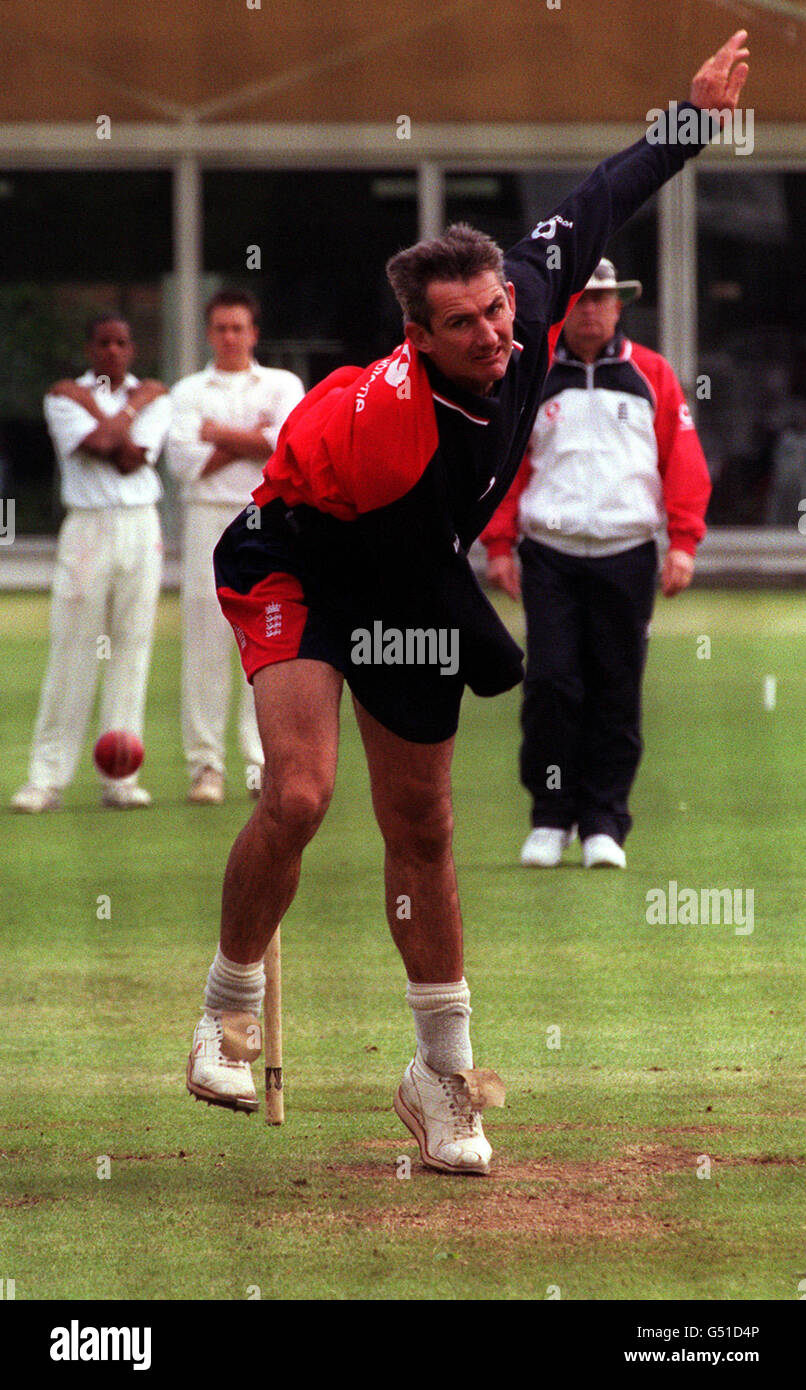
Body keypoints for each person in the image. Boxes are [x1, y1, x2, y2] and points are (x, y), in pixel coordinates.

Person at [185, 34, 750, 1173]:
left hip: (410, 572)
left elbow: (604, 192)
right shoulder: (386, 437)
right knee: (298, 792)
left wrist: (688, 118)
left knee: (426, 828)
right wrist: (494, 653)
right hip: (302, 561)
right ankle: (223, 1007)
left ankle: (439, 1079)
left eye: (497, 311)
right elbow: (421, 580)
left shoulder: (529, 301)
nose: (495, 335)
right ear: (417, 337)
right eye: (466, 326)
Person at [483, 259, 711, 869]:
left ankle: (604, 822)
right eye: (580, 299)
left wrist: (684, 542)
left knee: (616, 687)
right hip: (550, 555)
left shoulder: (652, 374)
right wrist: (499, 546)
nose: (590, 310)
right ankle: (551, 817)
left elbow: (683, 462)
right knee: (553, 683)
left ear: (619, 306)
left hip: (626, 554)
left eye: (601, 300)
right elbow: (508, 467)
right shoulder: (533, 374)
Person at [11, 316, 170, 813]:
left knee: (132, 647)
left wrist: (128, 406)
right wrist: (130, 405)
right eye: (103, 343)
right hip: (87, 527)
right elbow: (100, 447)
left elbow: (130, 460)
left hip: (140, 525)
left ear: (132, 348)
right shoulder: (63, 397)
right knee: (72, 649)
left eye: (121, 343)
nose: (113, 351)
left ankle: (121, 776)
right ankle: (46, 778)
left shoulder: (157, 398)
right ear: (89, 348)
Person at [166, 291, 304, 804]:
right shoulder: (187, 390)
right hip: (206, 519)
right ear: (209, 333)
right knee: (205, 644)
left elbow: (288, 446)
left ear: (254, 333)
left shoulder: (282, 383)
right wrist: (254, 438)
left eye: (238, 328)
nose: (229, 337)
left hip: (264, 520)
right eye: (221, 328)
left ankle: (260, 762)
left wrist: (219, 436)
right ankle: (206, 766)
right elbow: (184, 463)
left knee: (267, 643)